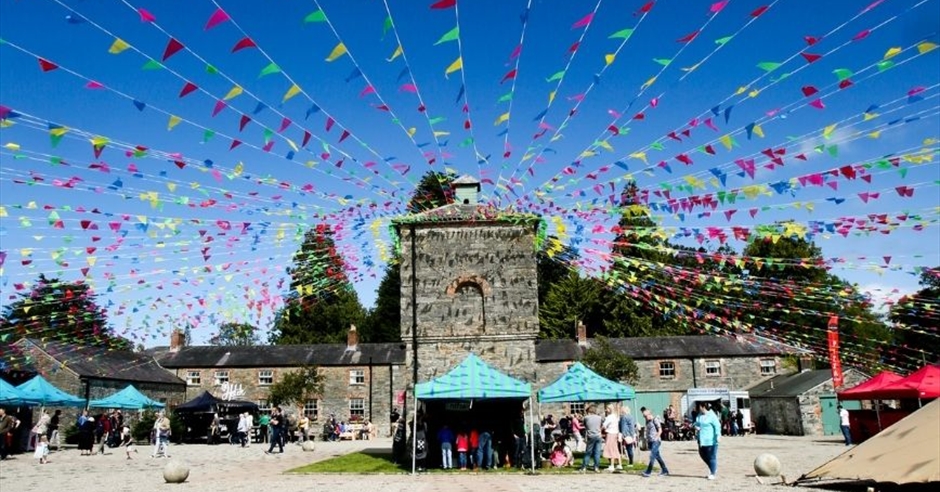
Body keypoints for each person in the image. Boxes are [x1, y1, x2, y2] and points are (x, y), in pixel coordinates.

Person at [694, 401, 721, 480]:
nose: (698, 409)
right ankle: (713, 467)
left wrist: (718, 435)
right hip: (701, 440)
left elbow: (717, 426)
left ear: (703, 407)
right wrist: (696, 426)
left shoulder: (712, 416)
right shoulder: (699, 416)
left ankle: (712, 473)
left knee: (711, 456)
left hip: (711, 440)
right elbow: (696, 423)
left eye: (699, 407)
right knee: (702, 455)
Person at [641, 407, 669, 478]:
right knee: (657, 456)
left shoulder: (655, 420)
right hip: (650, 441)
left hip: (655, 441)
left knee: (652, 456)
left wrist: (656, 438)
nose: (645, 418)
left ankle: (648, 472)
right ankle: (665, 470)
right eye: (644, 416)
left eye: (646, 416)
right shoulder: (647, 421)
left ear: (649, 414)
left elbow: (660, 430)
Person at [578, 405, 603, 473]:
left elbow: (585, 426)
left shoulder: (586, 418)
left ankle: (584, 467)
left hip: (590, 436)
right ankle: (596, 467)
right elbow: (601, 425)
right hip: (598, 436)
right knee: (597, 452)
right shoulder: (599, 418)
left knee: (588, 452)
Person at [602, 405, 622, 471]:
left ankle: (612, 465)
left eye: (607, 409)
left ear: (610, 409)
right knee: (615, 448)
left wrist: (601, 429)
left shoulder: (609, 417)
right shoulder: (615, 416)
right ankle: (619, 464)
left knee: (610, 448)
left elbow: (604, 425)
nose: (606, 410)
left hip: (610, 433)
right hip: (615, 433)